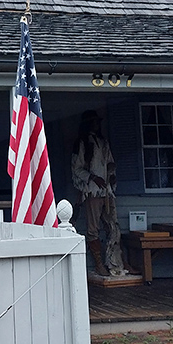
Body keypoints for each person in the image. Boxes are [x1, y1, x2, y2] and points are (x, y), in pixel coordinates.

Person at [71, 109, 131, 277]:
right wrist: (92, 177)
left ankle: (116, 262)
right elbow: (77, 169)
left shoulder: (103, 142)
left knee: (113, 226)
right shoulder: (82, 143)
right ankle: (98, 263)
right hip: (92, 192)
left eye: (98, 122)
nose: (97, 124)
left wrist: (111, 174)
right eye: (94, 121)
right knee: (93, 228)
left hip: (107, 192)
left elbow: (110, 162)